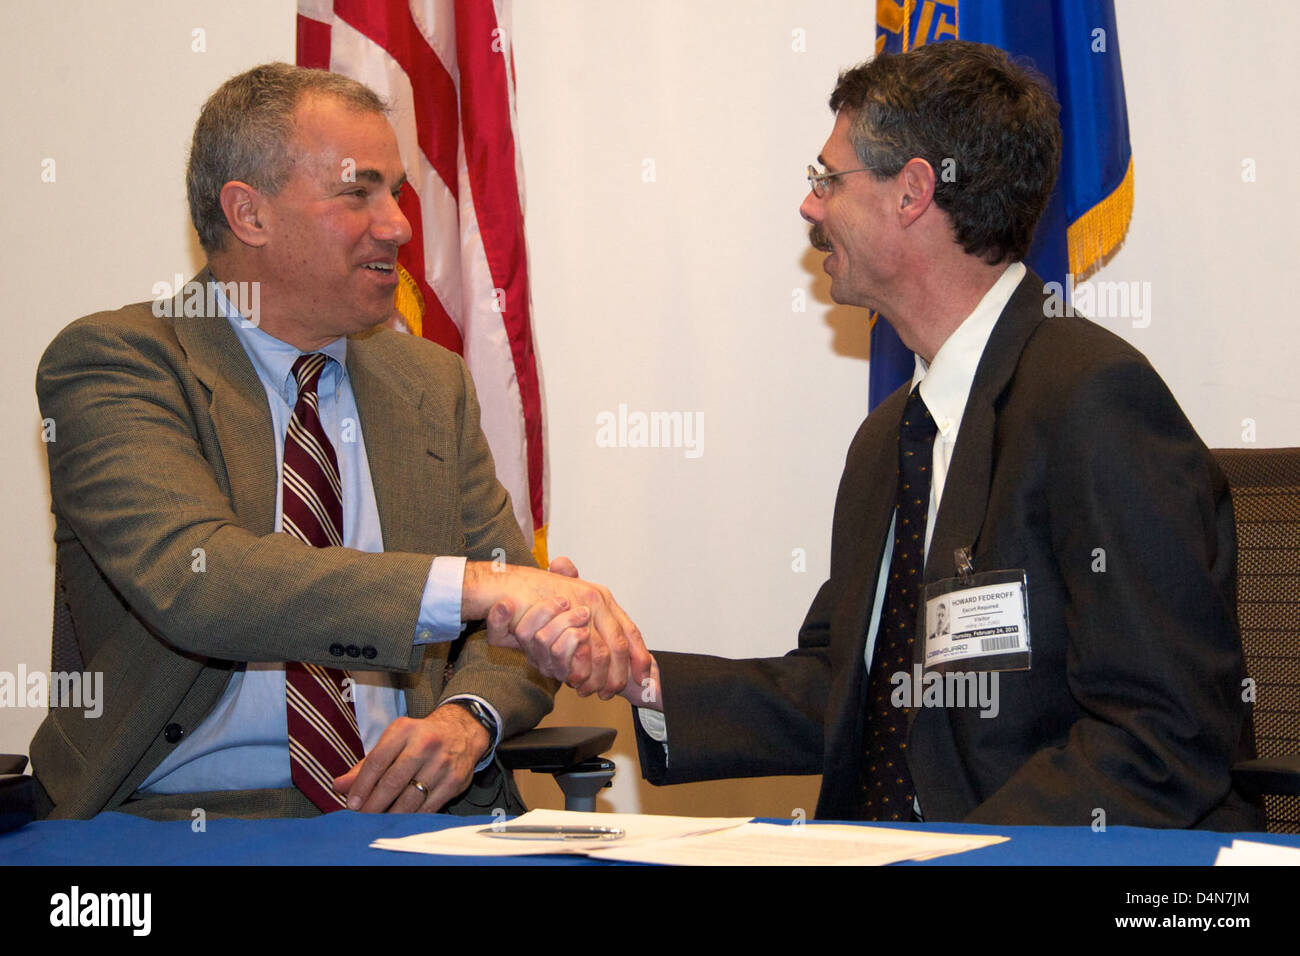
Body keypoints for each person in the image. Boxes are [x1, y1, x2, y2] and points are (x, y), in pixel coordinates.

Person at [608, 41, 1259, 828]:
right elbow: (848, 688)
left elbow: (1165, 735)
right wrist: (639, 677)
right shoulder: (892, 439)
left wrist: (962, 854)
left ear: (914, 191)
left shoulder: (1093, 399)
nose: (809, 207)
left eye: (826, 179)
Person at [32, 63, 647, 821]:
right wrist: (480, 587)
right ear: (249, 215)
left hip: (419, 815)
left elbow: (512, 632)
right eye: (358, 193)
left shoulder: (431, 382)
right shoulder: (119, 363)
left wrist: (465, 723)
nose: (397, 224)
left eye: (394, 191)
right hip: (182, 815)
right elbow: (201, 580)